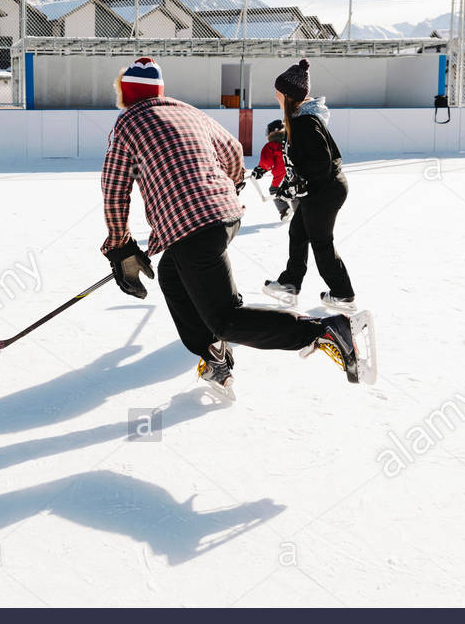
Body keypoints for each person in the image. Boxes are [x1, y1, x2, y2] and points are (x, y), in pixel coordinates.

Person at [99, 56, 376, 393]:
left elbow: (114, 189)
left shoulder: (127, 123)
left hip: (192, 228)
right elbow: (231, 148)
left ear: (126, 94)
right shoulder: (185, 109)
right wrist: (224, 188)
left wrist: (120, 246)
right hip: (225, 214)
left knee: (226, 319)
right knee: (172, 275)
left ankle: (325, 330)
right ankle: (214, 355)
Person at [262, 60, 357, 312]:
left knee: (321, 242)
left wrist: (300, 183)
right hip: (320, 189)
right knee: (298, 232)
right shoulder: (300, 119)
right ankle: (290, 283)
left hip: (325, 192)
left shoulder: (305, 123)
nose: (275, 95)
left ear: (289, 96)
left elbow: (321, 161)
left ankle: (343, 294)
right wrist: (293, 183)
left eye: (279, 91)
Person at [251, 118, 292, 220]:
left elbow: (266, 162)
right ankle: (300, 209)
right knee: (294, 191)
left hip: (281, 176)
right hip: (294, 174)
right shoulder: (290, 141)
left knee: (274, 190)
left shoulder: (271, 146)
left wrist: (260, 170)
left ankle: (284, 210)